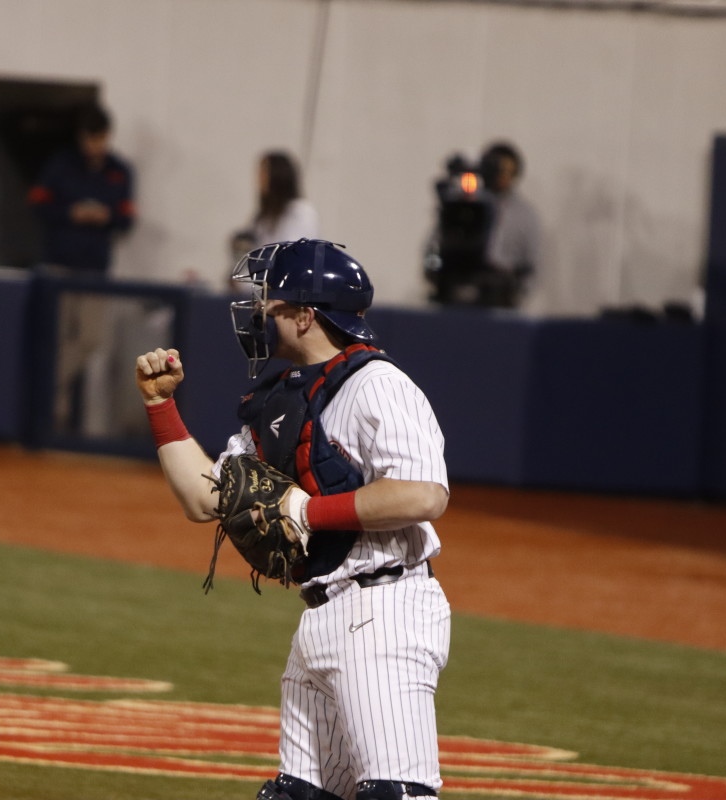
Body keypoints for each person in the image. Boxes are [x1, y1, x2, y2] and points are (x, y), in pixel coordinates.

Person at [135, 238, 451, 800]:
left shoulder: (379, 386)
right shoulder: (280, 401)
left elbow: (423, 495)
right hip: (322, 617)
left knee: (395, 793)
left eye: (269, 304)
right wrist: (162, 407)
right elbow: (206, 500)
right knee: (296, 795)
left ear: (305, 316)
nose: (257, 314)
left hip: (385, 611)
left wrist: (308, 509)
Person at [29, 103, 135, 273]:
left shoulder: (120, 172)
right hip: (58, 263)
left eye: (99, 138)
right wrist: (70, 213)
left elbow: (126, 219)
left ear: (107, 135)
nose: (93, 145)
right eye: (89, 138)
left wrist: (106, 217)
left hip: (95, 267)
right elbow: (38, 204)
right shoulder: (60, 165)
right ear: (81, 136)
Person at [229, 151, 318, 293]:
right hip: (262, 294)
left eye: (263, 173)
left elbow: (291, 261)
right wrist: (239, 279)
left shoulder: (300, 212)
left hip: (289, 295)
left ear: (278, 176)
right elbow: (253, 257)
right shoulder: (263, 217)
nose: (259, 179)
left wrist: (245, 283)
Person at [476, 140, 540, 307]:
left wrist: (518, 293)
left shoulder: (525, 215)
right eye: (495, 170)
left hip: (503, 298)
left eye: (506, 171)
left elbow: (532, 263)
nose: (500, 176)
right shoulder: (468, 206)